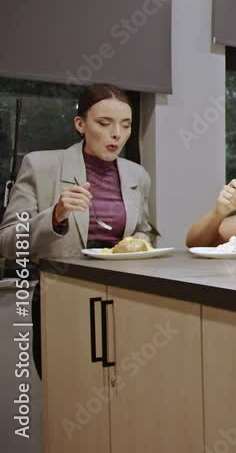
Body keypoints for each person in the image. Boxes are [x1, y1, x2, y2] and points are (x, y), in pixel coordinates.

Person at [0, 83, 153, 378]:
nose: (117, 134)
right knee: (66, 389)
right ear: (80, 124)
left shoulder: (137, 175)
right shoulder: (41, 166)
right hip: (61, 297)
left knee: (122, 391)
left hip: (122, 298)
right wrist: (55, 216)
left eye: (126, 125)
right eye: (104, 123)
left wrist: (137, 242)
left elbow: (143, 231)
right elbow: (7, 241)